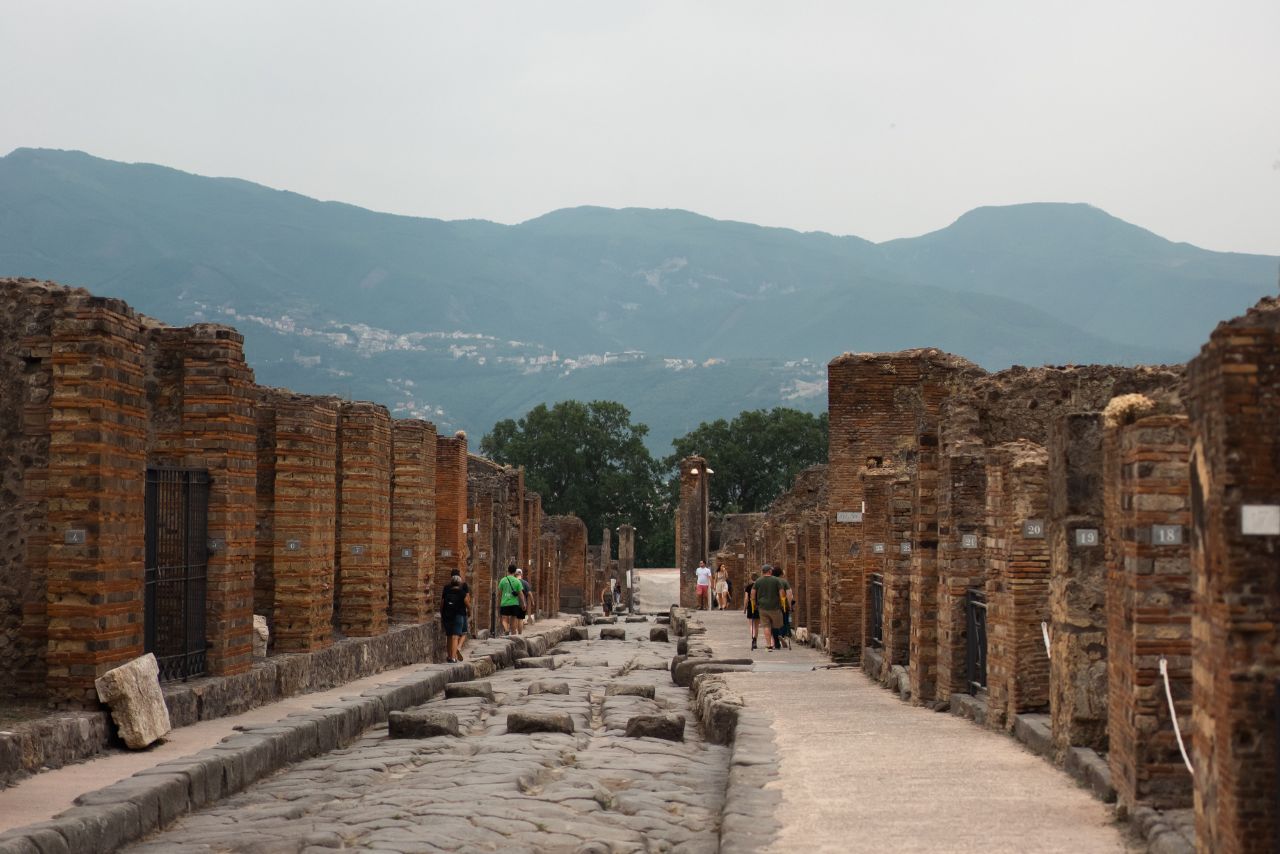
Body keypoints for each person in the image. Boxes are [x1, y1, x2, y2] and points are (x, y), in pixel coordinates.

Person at [751, 564, 785, 651]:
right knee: (776, 625)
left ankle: (768, 645)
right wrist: (783, 603)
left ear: (762, 572)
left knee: (766, 626)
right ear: (770, 571)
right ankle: (776, 640)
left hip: (762, 607)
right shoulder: (776, 580)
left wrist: (753, 604)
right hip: (775, 607)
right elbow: (782, 593)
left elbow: (753, 593)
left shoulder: (758, 581)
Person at [440, 571, 470, 663]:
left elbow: (442, 604)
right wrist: (469, 611)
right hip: (459, 615)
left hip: (447, 615)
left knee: (449, 636)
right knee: (455, 636)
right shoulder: (462, 592)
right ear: (459, 582)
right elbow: (467, 604)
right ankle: (454, 657)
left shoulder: (446, 589)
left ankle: (449, 656)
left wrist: (442, 614)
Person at [498, 564, 525, 636]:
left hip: (504, 603)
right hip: (514, 604)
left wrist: (500, 601)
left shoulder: (503, 580)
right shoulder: (517, 581)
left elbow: (499, 593)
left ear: (508, 570)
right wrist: (523, 604)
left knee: (504, 619)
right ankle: (513, 634)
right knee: (513, 620)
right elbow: (521, 594)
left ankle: (506, 629)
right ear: (515, 572)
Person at [773, 565, 792, 650]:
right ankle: (783, 635)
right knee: (784, 621)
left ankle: (776, 638)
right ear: (781, 573)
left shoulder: (771, 580)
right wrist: (790, 605)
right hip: (783, 604)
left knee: (774, 623)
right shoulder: (784, 582)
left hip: (772, 606)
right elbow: (789, 594)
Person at [744, 571, 760, 650]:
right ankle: (755, 639)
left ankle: (753, 638)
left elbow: (746, 598)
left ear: (751, 578)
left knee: (751, 624)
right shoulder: (760, 586)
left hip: (751, 606)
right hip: (758, 606)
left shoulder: (748, 587)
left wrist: (744, 608)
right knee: (757, 625)